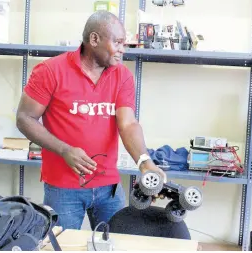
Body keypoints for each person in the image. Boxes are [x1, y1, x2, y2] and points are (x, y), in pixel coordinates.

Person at [15, 10, 167, 231]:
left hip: (109, 188)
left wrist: (145, 162)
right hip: (63, 188)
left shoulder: (122, 75)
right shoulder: (50, 71)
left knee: (113, 243)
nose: (122, 50)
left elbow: (128, 124)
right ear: (94, 39)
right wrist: (65, 150)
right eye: (117, 42)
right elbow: (24, 118)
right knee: (61, 245)